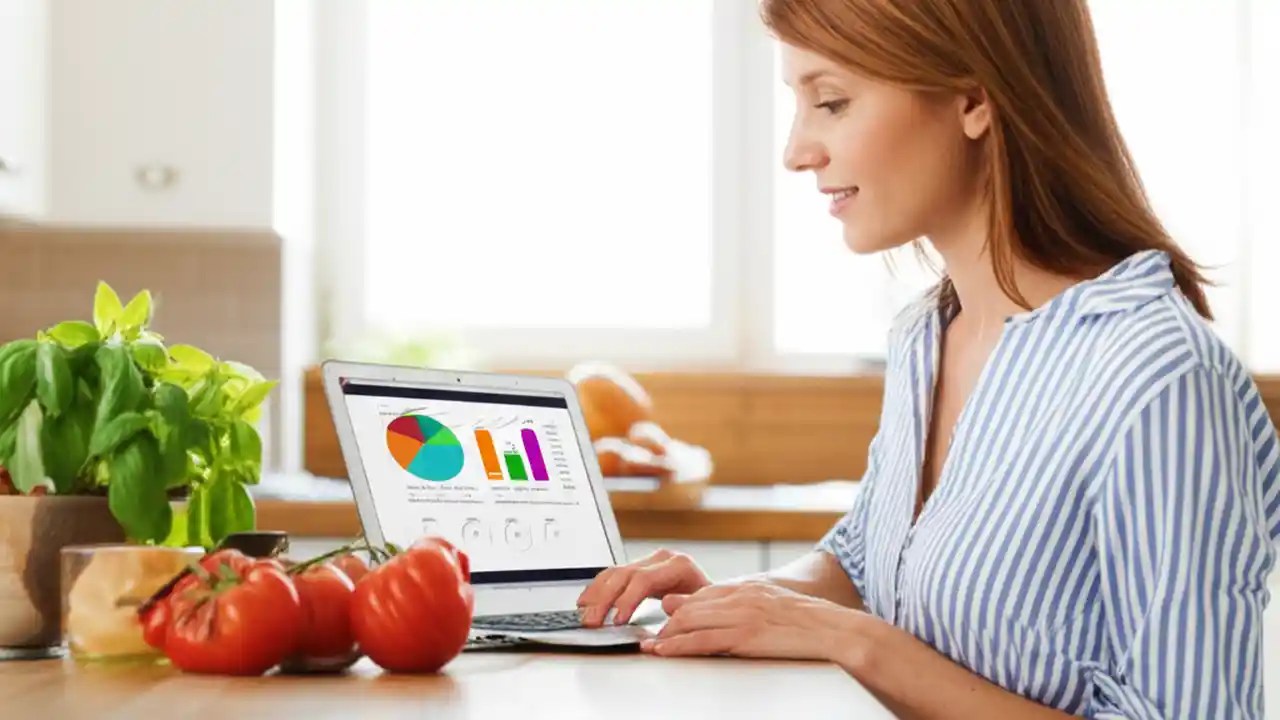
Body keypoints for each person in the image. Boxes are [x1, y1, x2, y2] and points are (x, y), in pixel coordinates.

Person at [575, 1, 1280, 717]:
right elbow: (863, 564)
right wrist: (734, 602)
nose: (796, 151)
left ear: (973, 100)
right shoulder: (927, 336)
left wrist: (857, 643)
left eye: (831, 102)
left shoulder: (1160, 381)